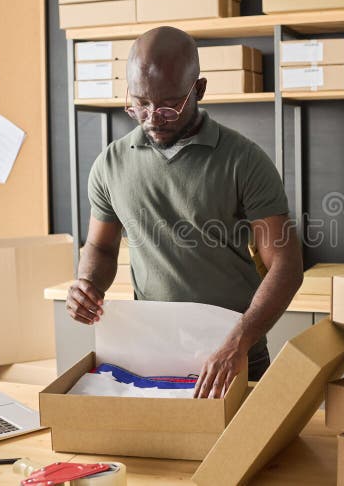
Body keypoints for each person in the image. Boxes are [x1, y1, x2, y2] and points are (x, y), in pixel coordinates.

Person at [66, 26, 304, 399]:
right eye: (139, 104)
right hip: (152, 359)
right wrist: (87, 284)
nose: (152, 117)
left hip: (235, 358)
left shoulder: (244, 160)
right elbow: (101, 248)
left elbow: (286, 266)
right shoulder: (110, 165)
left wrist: (238, 342)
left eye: (168, 105)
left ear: (199, 90)